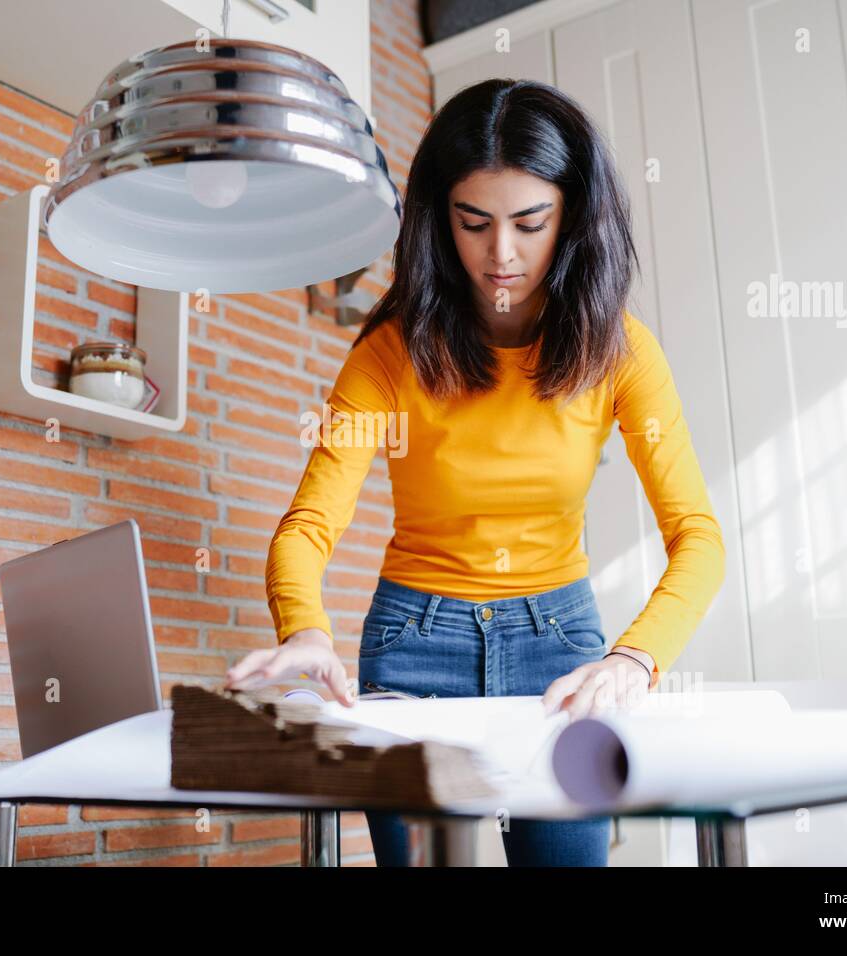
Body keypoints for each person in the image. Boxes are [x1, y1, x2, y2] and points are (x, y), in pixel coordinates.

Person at [225, 78, 725, 866]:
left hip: (560, 649)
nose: (501, 255)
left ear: (573, 218)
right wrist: (306, 629)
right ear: (437, 222)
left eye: (531, 223)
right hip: (412, 645)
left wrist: (634, 658)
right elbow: (308, 527)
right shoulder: (389, 352)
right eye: (473, 223)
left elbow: (698, 537)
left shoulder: (620, 351)